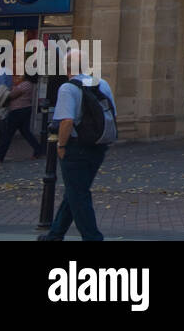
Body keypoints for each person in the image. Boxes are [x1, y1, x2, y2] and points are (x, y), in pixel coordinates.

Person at [39, 51, 116, 241]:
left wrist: (61, 146)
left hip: (76, 147)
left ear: (67, 68)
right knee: (75, 191)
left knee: (78, 194)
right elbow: (113, 111)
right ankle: (55, 235)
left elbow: (66, 121)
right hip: (98, 146)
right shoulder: (102, 83)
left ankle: (93, 237)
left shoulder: (68, 88)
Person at [0, 73, 42, 164]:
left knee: (8, 134)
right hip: (24, 109)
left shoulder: (25, 84)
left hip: (17, 110)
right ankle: (38, 150)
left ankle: (0, 156)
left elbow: (11, 95)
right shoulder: (29, 84)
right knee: (25, 132)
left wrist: (10, 89)